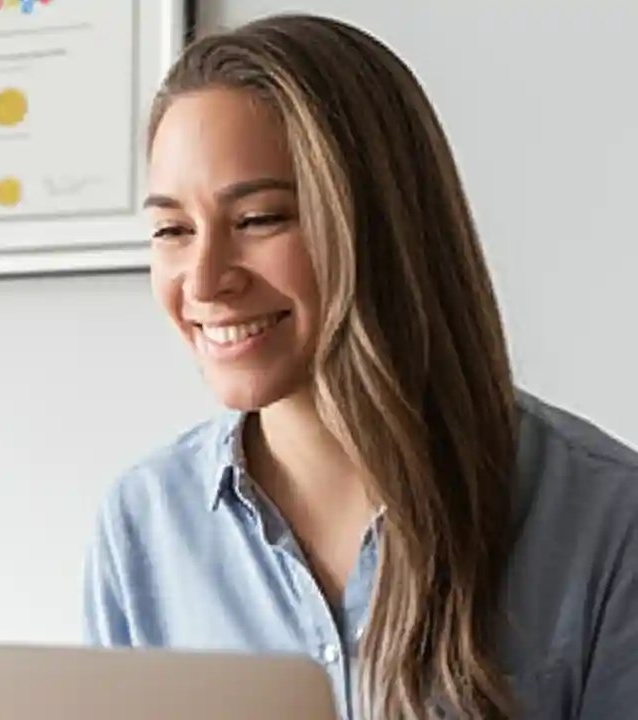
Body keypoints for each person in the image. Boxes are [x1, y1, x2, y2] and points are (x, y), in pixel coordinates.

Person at [81, 13, 638, 720]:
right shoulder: (144, 523)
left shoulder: (606, 518)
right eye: (172, 230)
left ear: (378, 224)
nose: (205, 279)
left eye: (259, 219)